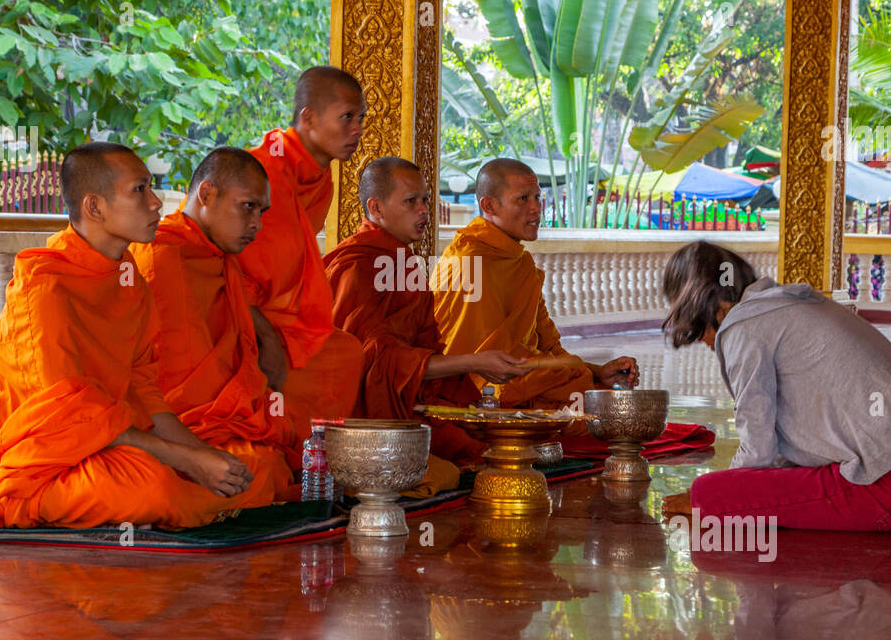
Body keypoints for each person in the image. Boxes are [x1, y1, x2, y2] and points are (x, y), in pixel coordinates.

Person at [0, 142, 266, 529]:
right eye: (139, 190)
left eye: (150, 189)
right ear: (95, 207)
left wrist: (203, 456)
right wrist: (184, 459)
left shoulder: (128, 280)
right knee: (158, 493)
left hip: (109, 440)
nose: (155, 203)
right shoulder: (46, 286)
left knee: (252, 474)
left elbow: (144, 394)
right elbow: (69, 416)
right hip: (44, 453)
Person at [657, 240, 891, 529]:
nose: (704, 341)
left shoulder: (742, 328)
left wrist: (720, 495)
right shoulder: (790, 305)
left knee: (713, 492)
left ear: (701, 302)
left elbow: (757, 453)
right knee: (772, 478)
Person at [324, 156, 529, 473]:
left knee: (490, 446)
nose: (423, 210)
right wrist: (475, 362)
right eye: (410, 202)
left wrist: (463, 407)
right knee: (448, 472)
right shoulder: (357, 264)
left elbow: (423, 355)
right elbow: (373, 363)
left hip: (408, 404)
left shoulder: (405, 262)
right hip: (364, 416)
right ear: (376, 208)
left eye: (424, 200)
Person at [131, 146, 304, 501]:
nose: (256, 223)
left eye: (262, 211)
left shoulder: (215, 255)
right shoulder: (162, 257)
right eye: (248, 206)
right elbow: (171, 386)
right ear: (207, 194)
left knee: (270, 460)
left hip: (224, 425)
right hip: (177, 429)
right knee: (257, 469)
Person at [433, 157, 639, 408]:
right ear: (489, 205)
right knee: (594, 406)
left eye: (537, 198)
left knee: (602, 394)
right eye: (523, 199)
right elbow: (473, 367)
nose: (535, 208)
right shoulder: (467, 262)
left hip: (524, 382)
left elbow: (548, 344)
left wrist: (598, 371)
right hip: (482, 393)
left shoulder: (522, 263)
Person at [241, 65, 364, 427]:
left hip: (278, 318)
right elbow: (231, 266)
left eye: (360, 117)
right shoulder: (262, 171)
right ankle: (279, 447)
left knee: (345, 354)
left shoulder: (318, 178)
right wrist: (265, 335)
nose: (357, 129)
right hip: (236, 313)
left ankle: (308, 458)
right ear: (308, 118)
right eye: (346, 117)